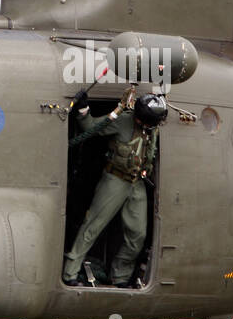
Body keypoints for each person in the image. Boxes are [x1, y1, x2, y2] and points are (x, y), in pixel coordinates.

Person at [62, 88, 168, 288]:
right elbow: (92, 128)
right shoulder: (122, 120)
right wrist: (83, 109)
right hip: (115, 180)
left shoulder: (152, 127)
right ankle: (70, 273)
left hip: (137, 184)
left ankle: (120, 276)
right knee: (91, 227)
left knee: (138, 235)